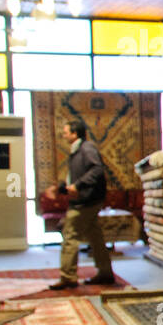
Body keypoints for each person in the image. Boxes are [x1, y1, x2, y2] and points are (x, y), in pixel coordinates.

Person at [44, 118, 115, 289]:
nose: (63, 134)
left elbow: (97, 169)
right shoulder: (76, 151)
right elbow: (76, 180)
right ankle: (105, 273)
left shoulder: (86, 148)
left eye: (66, 131)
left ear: (75, 134)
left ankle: (68, 276)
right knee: (95, 237)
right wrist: (61, 189)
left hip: (86, 202)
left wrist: (77, 185)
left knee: (70, 235)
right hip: (85, 200)